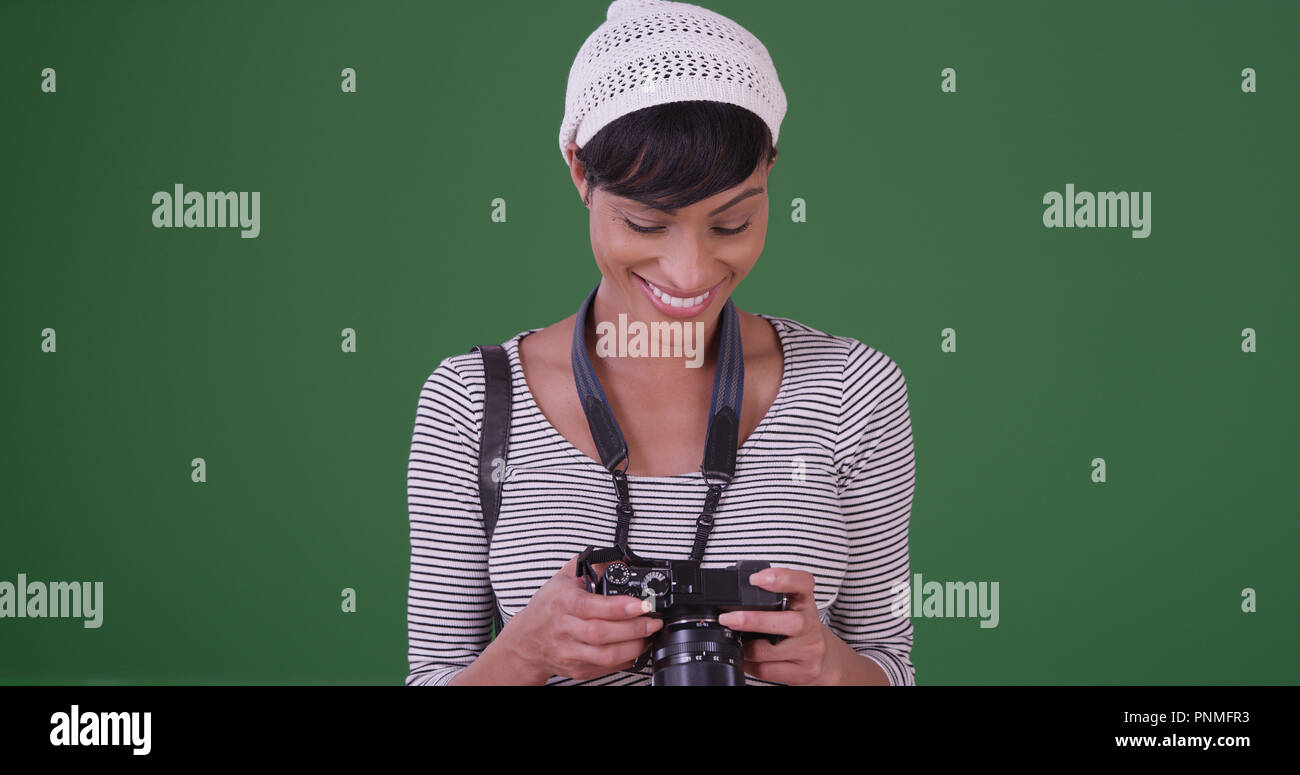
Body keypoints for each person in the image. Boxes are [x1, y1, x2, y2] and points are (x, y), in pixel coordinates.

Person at [406, 0, 916, 686]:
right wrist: (523, 652)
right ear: (580, 174)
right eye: (646, 225)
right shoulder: (471, 402)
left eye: (731, 223)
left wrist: (833, 665)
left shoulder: (854, 388)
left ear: (770, 173)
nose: (690, 272)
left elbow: (891, 664)